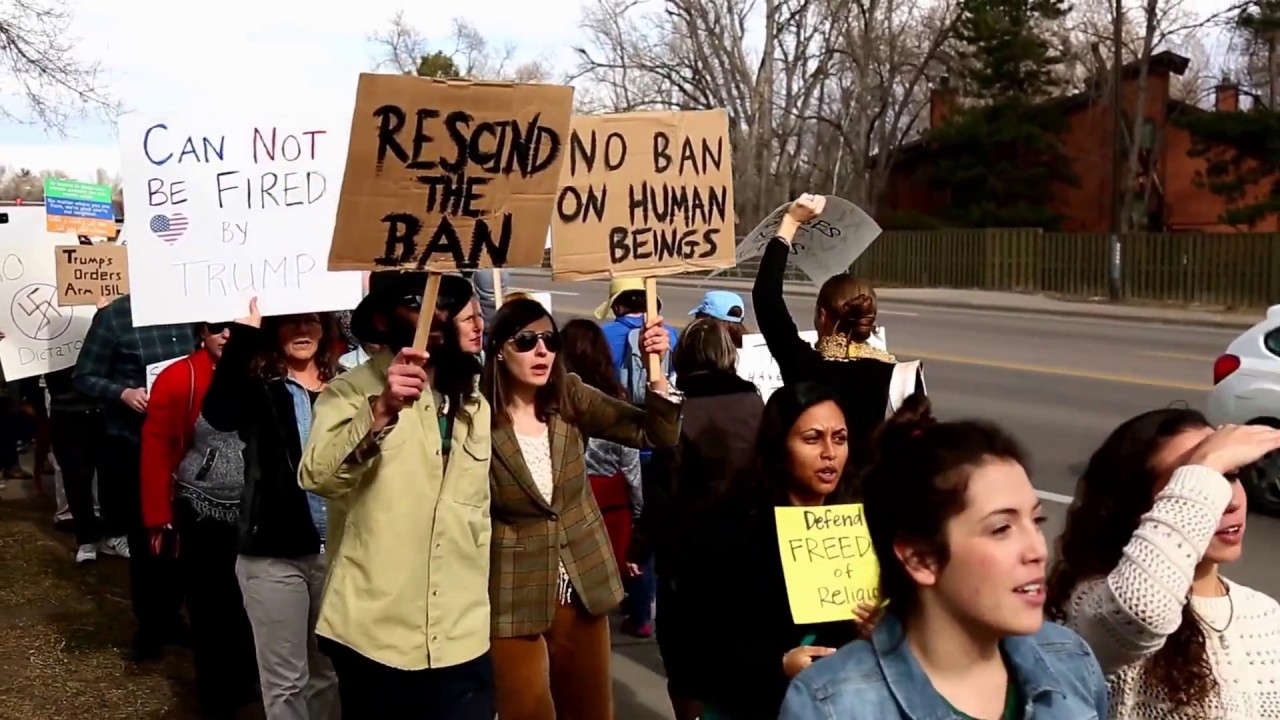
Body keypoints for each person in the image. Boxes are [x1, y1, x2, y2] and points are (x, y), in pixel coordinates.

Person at [779, 394, 1109, 720]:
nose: (1037, 550)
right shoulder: (830, 705)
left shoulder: (1071, 660)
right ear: (920, 559)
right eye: (1002, 528)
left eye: (1036, 521)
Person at [300, 273, 495, 718]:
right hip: (375, 635)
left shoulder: (473, 400)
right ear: (385, 320)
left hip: (461, 635)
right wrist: (381, 411)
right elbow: (318, 477)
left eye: (448, 300)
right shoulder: (349, 392)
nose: (439, 312)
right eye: (419, 300)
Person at [482, 298, 681, 720]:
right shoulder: (476, 413)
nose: (542, 351)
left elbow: (653, 433)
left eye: (549, 340)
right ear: (499, 349)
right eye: (525, 341)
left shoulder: (569, 394)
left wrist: (656, 373)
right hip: (513, 592)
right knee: (525, 710)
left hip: (581, 582)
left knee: (590, 711)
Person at [1046, 410, 1280, 718]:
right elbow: (1143, 611)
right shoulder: (1094, 605)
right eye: (1194, 480)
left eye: (1231, 476)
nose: (1231, 501)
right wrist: (1207, 463)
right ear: (1136, 508)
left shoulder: (1265, 613)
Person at [202, 300, 342, 720]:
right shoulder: (257, 384)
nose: (302, 328)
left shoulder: (347, 385)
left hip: (339, 552)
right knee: (286, 681)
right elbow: (220, 412)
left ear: (326, 326)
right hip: (273, 553)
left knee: (328, 673)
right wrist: (244, 331)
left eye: (312, 319)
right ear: (274, 328)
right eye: (291, 320)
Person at [689, 381, 857, 719]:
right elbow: (704, 648)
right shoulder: (732, 529)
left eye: (839, 438)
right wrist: (778, 665)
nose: (830, 453)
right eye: (812, 439)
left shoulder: (860, 526)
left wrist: (876, 628)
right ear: (779, 445)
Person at [637, 318, 763, 720]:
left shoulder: (677, 409)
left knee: (687, 668)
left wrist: (640, 547)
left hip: (689, 560)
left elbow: (662, 489)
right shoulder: (754, 401)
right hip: (747, 552)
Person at [752, 193, 923, 471]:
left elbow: (766, 298)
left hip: (812, 504)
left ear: (821, 317)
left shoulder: (804, 366)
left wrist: (790, 224)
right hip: (869, 504)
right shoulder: (895, 377)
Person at [139, 321, 259, 717]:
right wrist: (159, 515)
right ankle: (217, 694)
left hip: (259, 509)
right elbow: (157, 447)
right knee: (211, 606)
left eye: (236, 327)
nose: (228, 335)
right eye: (219, 327)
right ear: (202, 333)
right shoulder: (179, 377)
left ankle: (250, 682)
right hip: (202, 508)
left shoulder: (268, 369)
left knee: (253, 604)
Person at [73, 294, 197, 661]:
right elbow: (85, 376)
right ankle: (151, 624)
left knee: (185, 535)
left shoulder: (194, 306)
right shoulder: (115, 317)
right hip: (134, 444)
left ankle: (175, 616)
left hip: (190, 446)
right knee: (146, 537)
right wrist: (123, 393)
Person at [559, 319, 643, 577]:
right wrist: (638, 515)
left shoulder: (557, 402)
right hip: (611, 508)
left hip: (571, 506)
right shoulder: (616, 400)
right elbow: (631, 467)